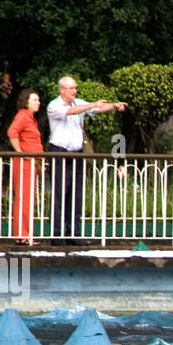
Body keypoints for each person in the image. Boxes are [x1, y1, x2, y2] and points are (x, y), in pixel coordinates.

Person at [46, 76, 125, 245]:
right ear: (62, 90)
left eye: (75, 88)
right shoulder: (54, 105)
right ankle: (57, 234)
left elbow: (97, 108)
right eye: (71, 88)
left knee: (75, 195)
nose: (75, 91)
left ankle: (73, 232)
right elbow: (74, 111)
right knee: (60, 195)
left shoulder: (78, 103)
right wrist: (91, 105)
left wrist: (113, 106)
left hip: (77, 153)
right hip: (60, 153)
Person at [6, 89, 44, 245]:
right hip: (25, 163)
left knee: (26, 198)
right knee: (24, 198)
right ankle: (22, 234)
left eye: (38, 100)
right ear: (26, 102)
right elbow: (12, 131)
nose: (38, 103)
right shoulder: (23, 116)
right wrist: (20, 152)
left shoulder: (29, 118)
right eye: (34, 100)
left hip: (30, 163)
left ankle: (24, 234)